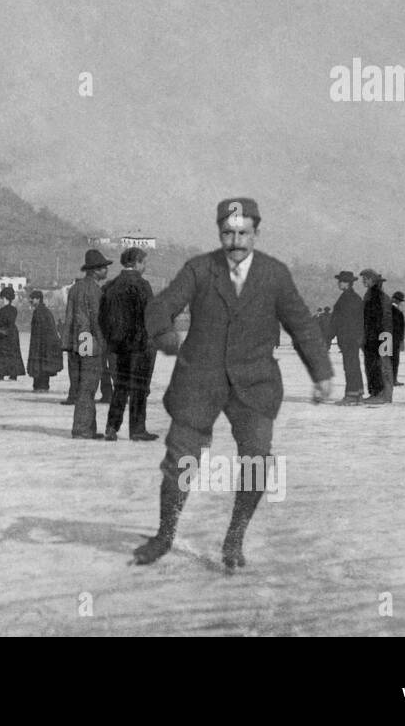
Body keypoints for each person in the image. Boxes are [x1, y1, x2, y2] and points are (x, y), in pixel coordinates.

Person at [134, 198, 333, 569]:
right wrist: (164, 336)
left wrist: (321, 371)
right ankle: (165, 534)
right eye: (228, 232)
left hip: (254, 385)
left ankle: (235, 535)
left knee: (257, 460)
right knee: (180, 461)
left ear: (256, 233)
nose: (236, 241)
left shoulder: (275, 274)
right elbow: (160, 306)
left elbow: (302, 324)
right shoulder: (199, 268)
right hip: (198, 380)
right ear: (220, 233)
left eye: (243, 233)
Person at [99, 247, 159, 441]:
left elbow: (102, 318)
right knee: (139, 388)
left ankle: (111, 427)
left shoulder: (110, 286)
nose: (145, 267)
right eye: (144, 263)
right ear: (136, 263)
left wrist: (111, 339)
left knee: (121, 387)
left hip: (118, 347)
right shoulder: (142, 285)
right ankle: (137, 429)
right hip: (139, 345)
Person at [65, 249, 111, 439]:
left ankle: (88, 428)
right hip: (90, 342)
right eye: (103, 268)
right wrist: (104, 343)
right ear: (95, 270)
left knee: (82, 386)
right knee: (88, 387)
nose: (106, 271)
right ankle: (82, 429)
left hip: (76, 342)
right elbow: (97, 320)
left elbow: (68, 317)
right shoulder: (95, 291)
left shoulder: (75, 288)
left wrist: (67, 343)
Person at [358, 269, 394, 405]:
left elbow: (375, 318)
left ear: (372, 280)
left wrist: (370, 336)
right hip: (384, 334)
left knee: (377, 365)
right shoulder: (378, 295)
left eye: (366, 279)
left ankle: (380, 394)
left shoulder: (375, 295)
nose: (363, 281)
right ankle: (384, 394)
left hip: (378, 335)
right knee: (383, 365)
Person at [330, 271, 364, 405]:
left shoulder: (347, 298)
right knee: (354, 365)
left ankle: (351, 395)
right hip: (353, 337)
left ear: (348, 283)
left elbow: (339, 320)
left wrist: (330, 334)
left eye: (341, 281)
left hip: (348, 337)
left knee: (350, 366)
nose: (339, 283)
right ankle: (358, 393)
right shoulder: (354, 297)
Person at [26, 289, 63, 391]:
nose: (31, 301)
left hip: (41, 343)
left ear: (38, 299)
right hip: (46, 343)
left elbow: (39, 331)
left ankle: (39, 386)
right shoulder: (45, 311)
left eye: (32, 299)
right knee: (44, 365)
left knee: (39, 365)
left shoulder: (39, 312)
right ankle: (42, 385)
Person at [58, 275, 84, 406]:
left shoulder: (72, 297)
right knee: (84, 369)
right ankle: (81, 396)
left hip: (74, 339)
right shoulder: (88, 296)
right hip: (86, 338)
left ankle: (74, 396)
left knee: (74, 369)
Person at [0, 286, 26, 380]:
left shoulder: (2, 310)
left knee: (3, 354)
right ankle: (13, 373)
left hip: (4, 334)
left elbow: (0, 322)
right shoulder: (13, 309)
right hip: (13, 333)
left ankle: (1, 373)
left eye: (2, 298)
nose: (1, 300)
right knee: (14, 354)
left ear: (4, 298)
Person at [390, 291, 405, 387]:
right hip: (395, 339)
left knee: (386, 360)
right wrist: (402, 340)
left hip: (385, 338)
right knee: (394, 360)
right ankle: (393, 380)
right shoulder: (398, 312)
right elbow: (400, 328)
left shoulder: (386, 309)